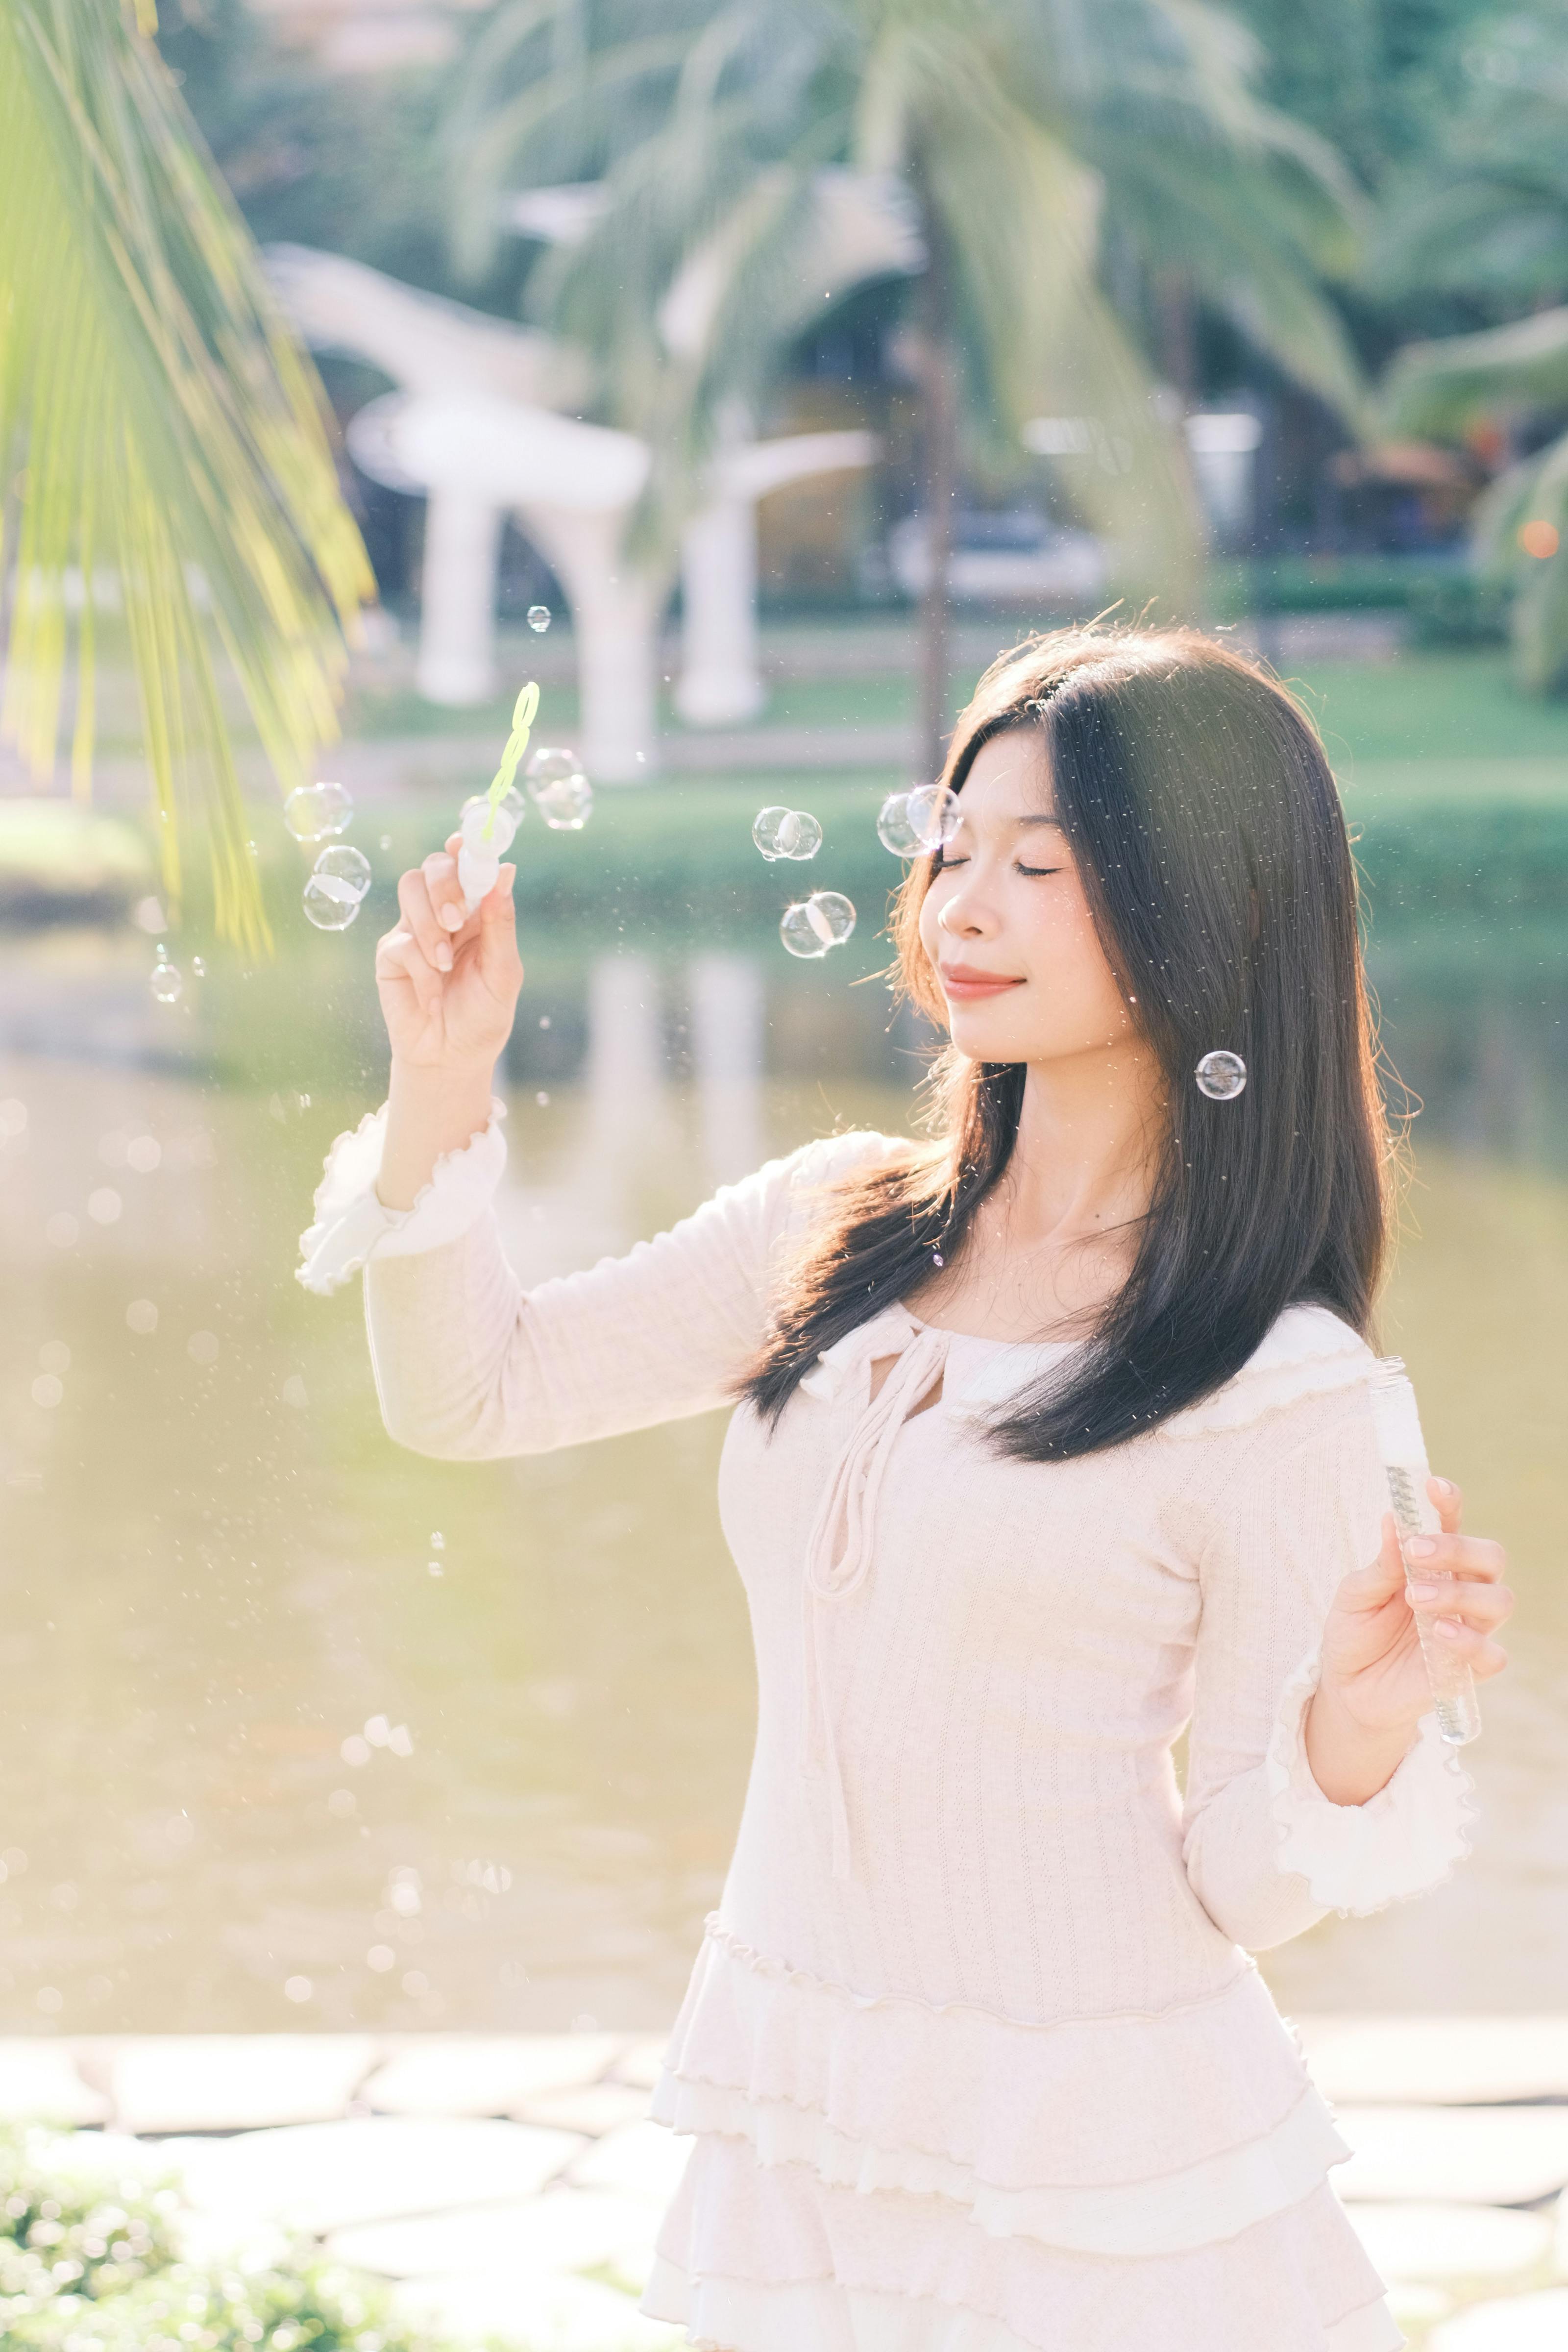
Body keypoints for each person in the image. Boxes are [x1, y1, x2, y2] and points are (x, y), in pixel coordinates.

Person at [299, 623, 1513, 2352]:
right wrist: (442, 1073)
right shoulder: (835, 1226)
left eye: (1041, 864)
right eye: (950, 848)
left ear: (1212, 907)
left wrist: (1362, 1726)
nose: (963, 902)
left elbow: (1249, 1888)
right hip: (799, 2112)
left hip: (1103, 2181)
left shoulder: (1276, 1378)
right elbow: (468, 1394)